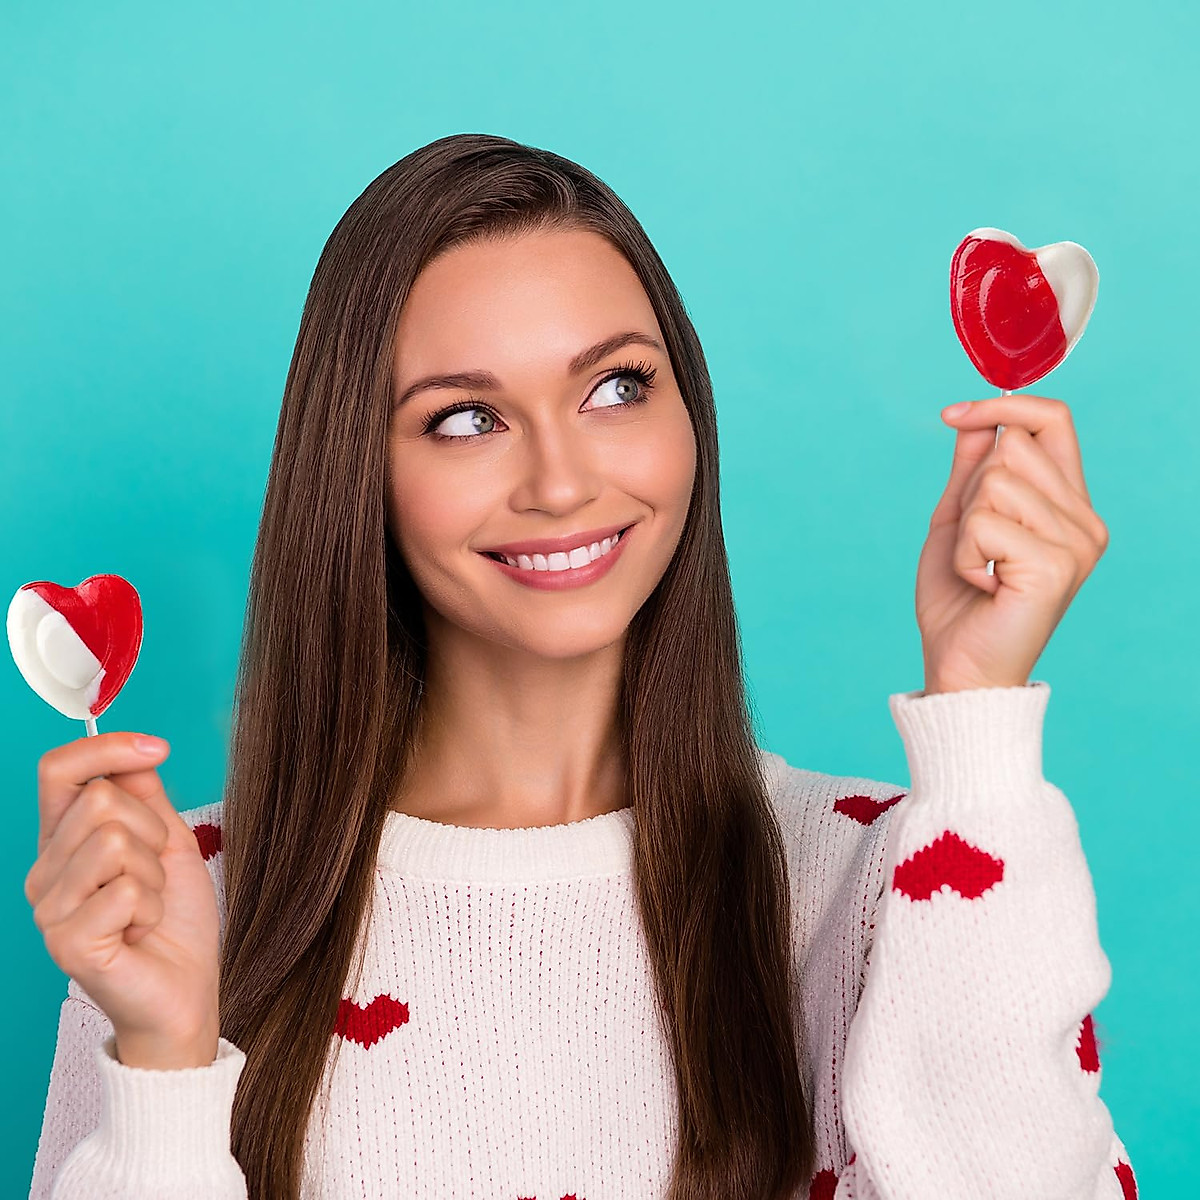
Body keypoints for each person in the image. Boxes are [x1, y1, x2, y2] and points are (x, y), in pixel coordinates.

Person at [25, 133, 1138, 1200]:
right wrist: (165, 1062)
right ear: (357, 472)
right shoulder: (187, 900)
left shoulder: (890, 876)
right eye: (465, 418)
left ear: (689, 411)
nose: (561, 482)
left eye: (615, 388)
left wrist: (980, 719)